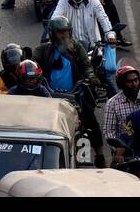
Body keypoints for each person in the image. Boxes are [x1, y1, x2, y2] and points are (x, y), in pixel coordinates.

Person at [36, 16, 104, 165]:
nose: (64, 35)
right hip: (49, 95)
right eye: (60, 32)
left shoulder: (77, 48)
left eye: (66, 32)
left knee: (89, 119)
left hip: (74, 94)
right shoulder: (43, 50)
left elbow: (86, 66)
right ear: (52, 33)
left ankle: (100, 155)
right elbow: (34, 65)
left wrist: (92, 78)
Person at [103, 66, 140, 151]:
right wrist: (119, 150)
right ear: (121, 84)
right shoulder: (112, 104)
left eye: (136, 80)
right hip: (124, 152)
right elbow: (109, 132)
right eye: (129, 81)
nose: (134, 84)